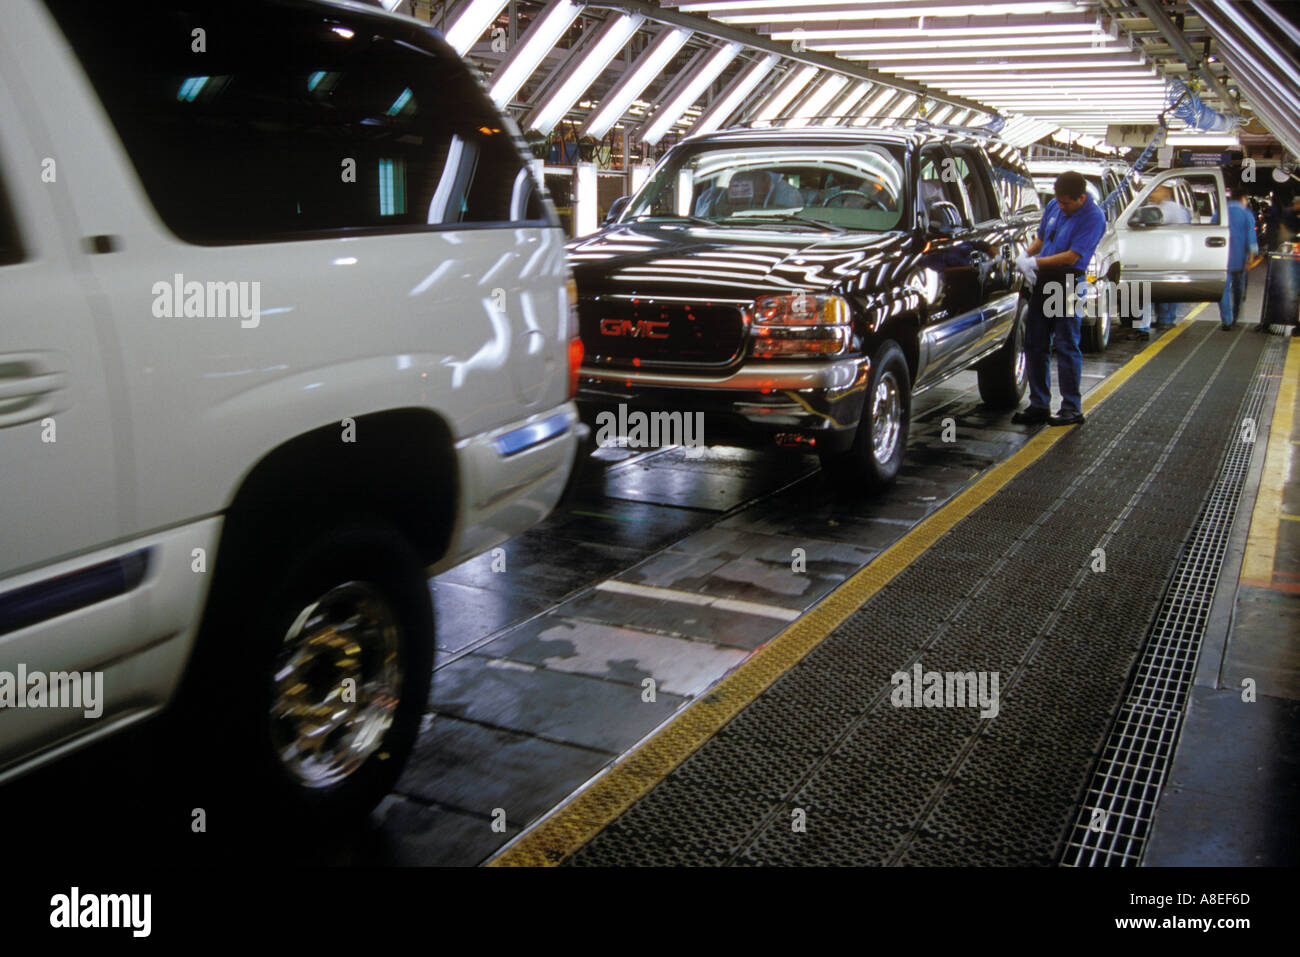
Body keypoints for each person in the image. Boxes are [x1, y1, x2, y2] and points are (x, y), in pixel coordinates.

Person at [1011, 171, 1106, 428]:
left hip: (1068, 283)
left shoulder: (1093, 218)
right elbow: (1042, 238)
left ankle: (1071, 408)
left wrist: (1034, 262)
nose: (1061, 206)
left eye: (1067, 203)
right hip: (1043, 280)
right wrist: (1024, 256)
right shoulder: (1055, 205)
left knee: (1066, 344)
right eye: (1059, 201)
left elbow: (1072, 257)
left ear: (1081, 197)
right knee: (1035, 344)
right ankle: (1039, 405)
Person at [1219, 188, 1259, 330]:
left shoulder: (1220, 212)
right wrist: (1251, 258)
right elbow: (1251, 238)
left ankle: (1227, 320)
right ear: (1243, 199)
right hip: (1240, 258)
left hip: (1222, 258)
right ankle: (1235, 315)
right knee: (1238, 289)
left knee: (1223, 289)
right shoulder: (1246, 213)